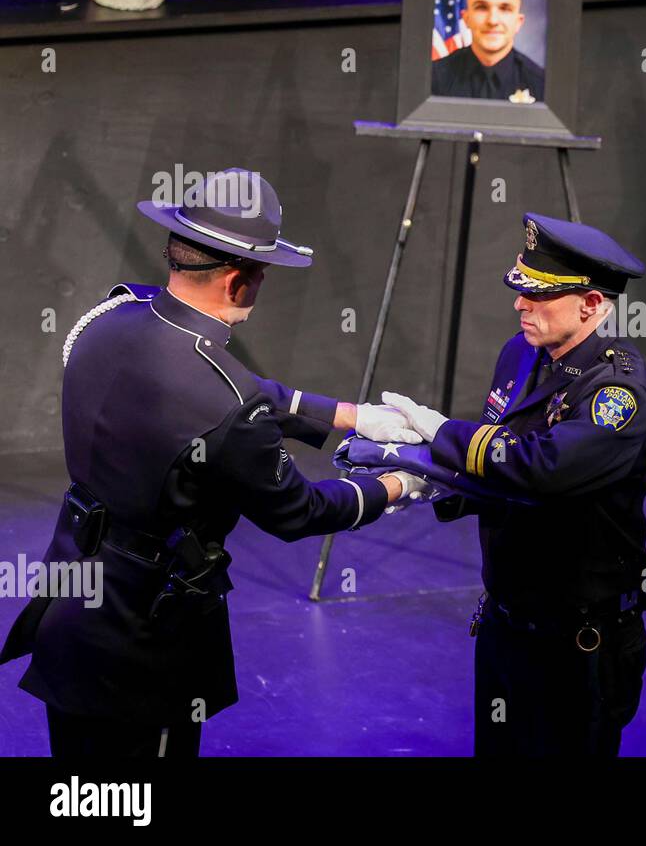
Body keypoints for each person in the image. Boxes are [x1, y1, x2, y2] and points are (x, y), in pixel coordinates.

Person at [0, 169, 428, 757]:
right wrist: (397, 484)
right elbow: (298, 511)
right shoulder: (227, 399)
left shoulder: (112, 318)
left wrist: (349, 416)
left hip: (74, 592)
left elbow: (233, 392)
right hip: (145, 632)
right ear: (239, 282)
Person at [381, 213, 646, 756]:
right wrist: (424, 476)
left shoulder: (618, 393)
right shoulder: (521, 353)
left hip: (580, 640)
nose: (520, 305)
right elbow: (501, 466)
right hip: (508, 621)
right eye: (520, 290)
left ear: (592, 305)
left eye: (540, 296)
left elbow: (543, 471)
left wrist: (440, 435)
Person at [430, 0, 545, 102]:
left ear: (518, 22)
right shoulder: (434, 79)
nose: (492, 20)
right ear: (466, 19)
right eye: (482, 7)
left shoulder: (541, 85)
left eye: (504, 9)